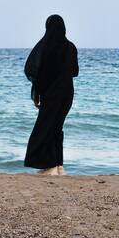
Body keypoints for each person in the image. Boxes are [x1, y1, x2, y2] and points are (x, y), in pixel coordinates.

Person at [23, 14, 78, 175]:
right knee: (57, 128)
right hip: (67, 94)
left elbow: (38, 73)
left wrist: (37, 95)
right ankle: (59, 166)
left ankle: (51, 166)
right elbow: (75, 72)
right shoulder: (71, 47)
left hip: (51, 94)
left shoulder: (46, 47)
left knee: (45, 128)